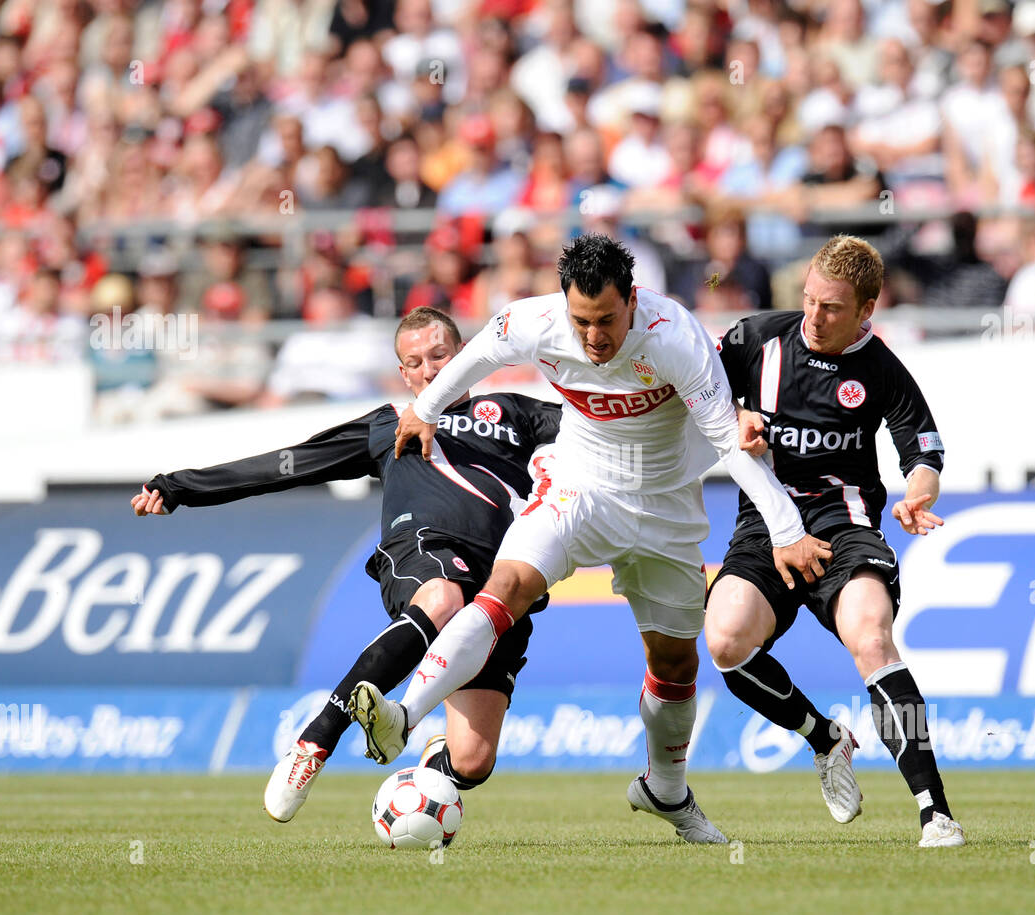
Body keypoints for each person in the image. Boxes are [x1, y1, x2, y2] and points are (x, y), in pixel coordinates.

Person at [351, 234, 830, 844]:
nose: (594, 337)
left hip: (664, 508)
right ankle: (402, 715)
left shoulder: (674, 337)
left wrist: (786, 529)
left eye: (606, 320)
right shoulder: (536, 321)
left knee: (675, 662)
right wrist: (428, 407)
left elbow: (731, 442)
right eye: (582, 321)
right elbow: (477, 355)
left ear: (632, 299)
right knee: (508, 585)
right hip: (578, 484)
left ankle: (667, 790)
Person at [130, 307, 561, 822]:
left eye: (440, 356)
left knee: (473, 761)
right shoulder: (387, 426)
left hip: (503, 583)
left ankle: (424, 765)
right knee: (441, 597)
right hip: (424, 549)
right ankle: (314, 743)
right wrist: (180, 487)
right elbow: (283, 464)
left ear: (464, 355)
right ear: (403, 373)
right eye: (415, 361)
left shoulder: (516, 412)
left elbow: (605, 426)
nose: (429, 370)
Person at [704, 234, 966, 848]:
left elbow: (923, 453)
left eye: (832, 309)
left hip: (843, 525)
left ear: (865, 311)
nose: (814, 318)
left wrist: (919, 493)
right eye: (809, 300)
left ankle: (936, 813)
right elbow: (694, 396)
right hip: (766, 527)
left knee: (871, 635)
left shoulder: (882, 369)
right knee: (724, 642)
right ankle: (825, 738)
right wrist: (729, 414)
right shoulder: (755, 339)